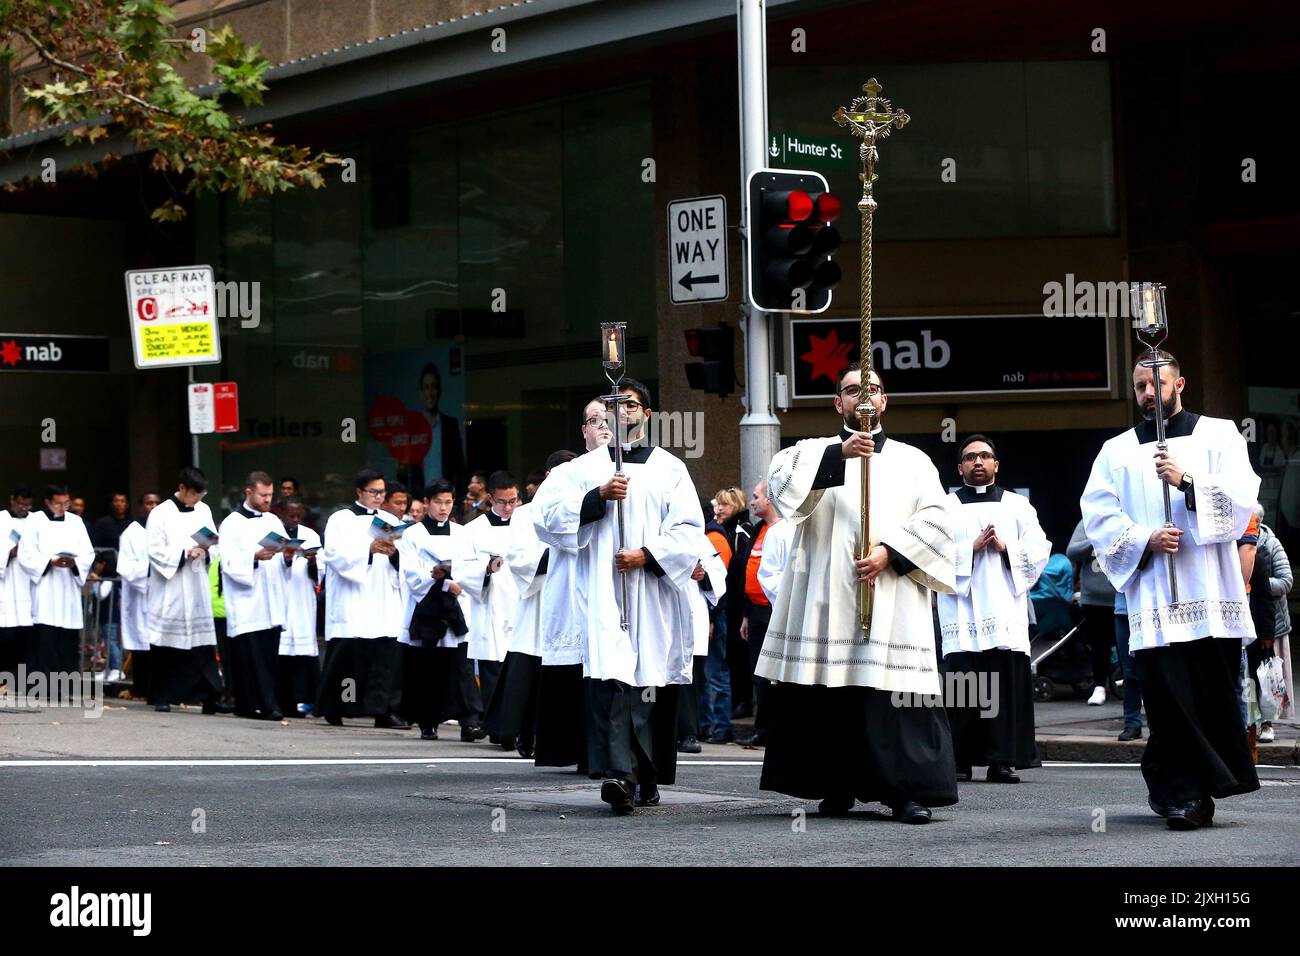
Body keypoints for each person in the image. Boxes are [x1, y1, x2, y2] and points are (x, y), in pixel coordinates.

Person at [757, 363, 959, 824]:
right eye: (852, 390)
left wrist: (892, 553)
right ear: (837, 402)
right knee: (834, 694)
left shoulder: (914, 461)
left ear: (885, 401)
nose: (863, 398)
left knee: (889, 695)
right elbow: (783, 492)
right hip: (827, 599)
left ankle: (906, 792)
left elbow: (939, 519)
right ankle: (835, 785)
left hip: (889, 591)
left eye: (873, 390)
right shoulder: (808, 452)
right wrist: (840, 456)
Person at [1081, 349, 1260, 830]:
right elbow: (1097, 516)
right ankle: (1184, 795)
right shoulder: (1115, 451)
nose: (1146, 393)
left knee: (1208, 697)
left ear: (1178, 385)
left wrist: (1186, 482)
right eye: (1139, 386)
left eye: (1155, 384)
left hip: (1212, 595)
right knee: (1168, 701)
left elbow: (1245, 501)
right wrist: (1144, 539)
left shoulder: (1220, 434)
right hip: (1155, 598)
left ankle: (1184, 786)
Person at [533, 378, 702, 814]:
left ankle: (647, 775)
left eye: (630, 404)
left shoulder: (670, 467)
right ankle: (617, 776)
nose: (620, 411)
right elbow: (545, 517)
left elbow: (688, 529)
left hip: (652, 593)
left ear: (647, 413)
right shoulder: (582, 470)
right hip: (603, 593)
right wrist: (597, 498)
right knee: (611, 680)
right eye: (613, 405)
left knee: (648, 681)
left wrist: (647, 554)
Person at [937, 435, 1050, 783]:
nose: (978, 462)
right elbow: (930, 554)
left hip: (1004, 610)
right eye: (970, 457)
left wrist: (1005, 548)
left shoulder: (1018, 506)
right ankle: (960, 760)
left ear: (996, 465)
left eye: (985, 456)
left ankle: (1003, 759)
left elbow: (1040, 548)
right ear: (960, 468)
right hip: (962, 610)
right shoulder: (943, 507)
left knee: (1002, 686)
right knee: (963, 685)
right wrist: (969, 548)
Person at [316, 469, 410, 729]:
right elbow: (333, 555)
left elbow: (404, 560)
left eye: (382, 492)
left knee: (384, 658)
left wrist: (392, 554)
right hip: (353, 596)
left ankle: (383, 711)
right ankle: (336, 707)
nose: (379, 497)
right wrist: (367, 550)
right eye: (374, 492)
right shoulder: (340, 519)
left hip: (382, 596)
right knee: (348, 656)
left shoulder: (390, 519)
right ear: (359, 492)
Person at [399, 479, 483, 741]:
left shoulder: (462, 533)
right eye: (438, 502)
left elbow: (471, 566)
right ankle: (429, 721)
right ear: (426, 503)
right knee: (430, 669)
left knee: (461, 668)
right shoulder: (412, 534)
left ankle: (469, 722)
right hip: (429, 608)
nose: (443, 508)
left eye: (448, 502)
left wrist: (458, 580)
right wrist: (442, 580)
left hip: (457, 607)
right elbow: (411, 574)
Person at [483, 464, 557, 756]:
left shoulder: (583, 510)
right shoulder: (527, 514)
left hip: (570, 604)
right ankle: (525, 734)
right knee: (529, 675)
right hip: (537, 601)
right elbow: (520, 557)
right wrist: (555, 557)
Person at [144, 467, 224, 713]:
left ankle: (210, 697)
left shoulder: (204, 509)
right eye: (194, 495)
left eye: (202, 494)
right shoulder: (160, 513)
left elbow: (212, 539)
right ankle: (163, 696)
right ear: (181, 489)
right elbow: (154, 549)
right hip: (172, 586)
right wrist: (184, 552)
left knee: (201, 645)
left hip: (196, 581)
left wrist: (206, 548)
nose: (198, 500)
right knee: (168, 644)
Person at [219, 472, 290, 721]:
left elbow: (282, 551)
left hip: (270, 599)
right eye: (263, 495)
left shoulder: (273, 520)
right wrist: (253, 557)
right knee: (250, 657)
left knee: (268, 656)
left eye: (270, 495)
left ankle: (264, 702)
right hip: (247, 601)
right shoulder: (231, 523)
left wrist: (289, 555)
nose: (268, 500)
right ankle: (257, 705)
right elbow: (227, 562)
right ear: (248, 492)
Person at [18, 485, 95, 697]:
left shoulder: (76, 522)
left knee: (68, 639)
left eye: (66, 503)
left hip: (68, 585)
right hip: (45, 586)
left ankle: (68, 686)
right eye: (59, 503)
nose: (63, 507)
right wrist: (49, 561)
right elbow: (26, 553)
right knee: (45, 638)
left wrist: (74, 563)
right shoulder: (35, 521)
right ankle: (41, 686)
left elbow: (87, 553)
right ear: (48, 502)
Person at [462, 471, 522, 742]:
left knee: (518, 674)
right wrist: (484, 569)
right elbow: (462, 570)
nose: (508, 508)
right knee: (493, 674)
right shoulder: (473, 530)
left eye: (513, 500)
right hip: (492, 607)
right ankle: (497, 729)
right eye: (502, 502)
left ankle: (519, 729)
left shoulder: (528, 525)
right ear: (489, 499)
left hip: (523, 605)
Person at [737, 476, 794, 748]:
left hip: (779, 612)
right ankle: (763, 728)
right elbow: (754, 574)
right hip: (757, 612)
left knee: (778, 674)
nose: (752, 501)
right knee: (759, 674)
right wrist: (747, 615)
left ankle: (779, 728)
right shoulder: (758, 530)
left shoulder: (787, 531)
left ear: (770, 499)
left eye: (757, 496)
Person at [676, 510, 728, 754]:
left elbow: (719, 573)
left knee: (690, 678)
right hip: (663, 612)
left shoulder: (700, 538)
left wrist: (703, 575)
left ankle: (688, 732)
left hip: (692, 613)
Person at [1067, 514, 1122, 708]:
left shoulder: (1127, 518)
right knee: (1100, 645)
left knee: (1129, 644)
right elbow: (1071, 552)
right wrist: (1094, 539)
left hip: (1122, 595)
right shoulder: (1088, 522)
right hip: (1094, 598)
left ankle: (1133, 685)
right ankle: (1099, 686)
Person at [278, 499, 321, 717]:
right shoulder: (274, 533)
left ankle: (305, 701)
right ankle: (283, 702)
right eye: (291, 515)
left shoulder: (310, 535)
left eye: (298, 516)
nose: (295, 520)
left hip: (303, 597)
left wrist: (312, 561)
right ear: (283, 514)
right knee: (282, 654)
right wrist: (285, 557)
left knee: (303, 654)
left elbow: (319, 573)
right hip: (283, 597)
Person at [115, 493, 161, 700]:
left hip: (162, 596)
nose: (153, 507)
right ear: (141, 506)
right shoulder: (131, 533)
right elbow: (126, 566)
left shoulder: (163, 530)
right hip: (140, 597)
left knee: (161, 645)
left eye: (157, 503)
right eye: (149, 503)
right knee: (142, 645)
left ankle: (159, 688)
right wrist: (150, 568)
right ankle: (141, 687)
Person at [699, 499, 734, 745]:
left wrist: (711, 617)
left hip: (714, 613)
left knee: (715, 672)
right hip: (713, 613)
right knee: (708, 673)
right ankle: (708, 725)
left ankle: (720, 726)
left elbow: (717, 581)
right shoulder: (712, 536)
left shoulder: (714, 538)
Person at [0, 485, 35, 686]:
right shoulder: (1, 519)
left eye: (28, 505)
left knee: (25, 634)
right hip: (6, 581)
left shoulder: (35, 521)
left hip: (27, 580)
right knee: (6, 633)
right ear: (12, 500)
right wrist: (7, 552)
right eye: (21, 503)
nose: (24, 508)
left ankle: (22, 679)